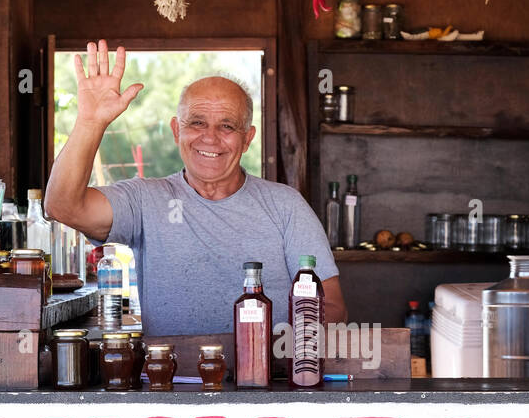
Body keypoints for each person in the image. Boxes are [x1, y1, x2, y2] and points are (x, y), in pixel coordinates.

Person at [45, 41, 347, 337]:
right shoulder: (144, 200)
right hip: (170, 381)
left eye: (227, 126)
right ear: (177, 130)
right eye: (197, 123)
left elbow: (332, 307)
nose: (210, 138)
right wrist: (90, 121)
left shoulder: (285, 206)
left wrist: (268, 360)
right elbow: (62, 206)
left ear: (247, 139)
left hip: (267, 380)